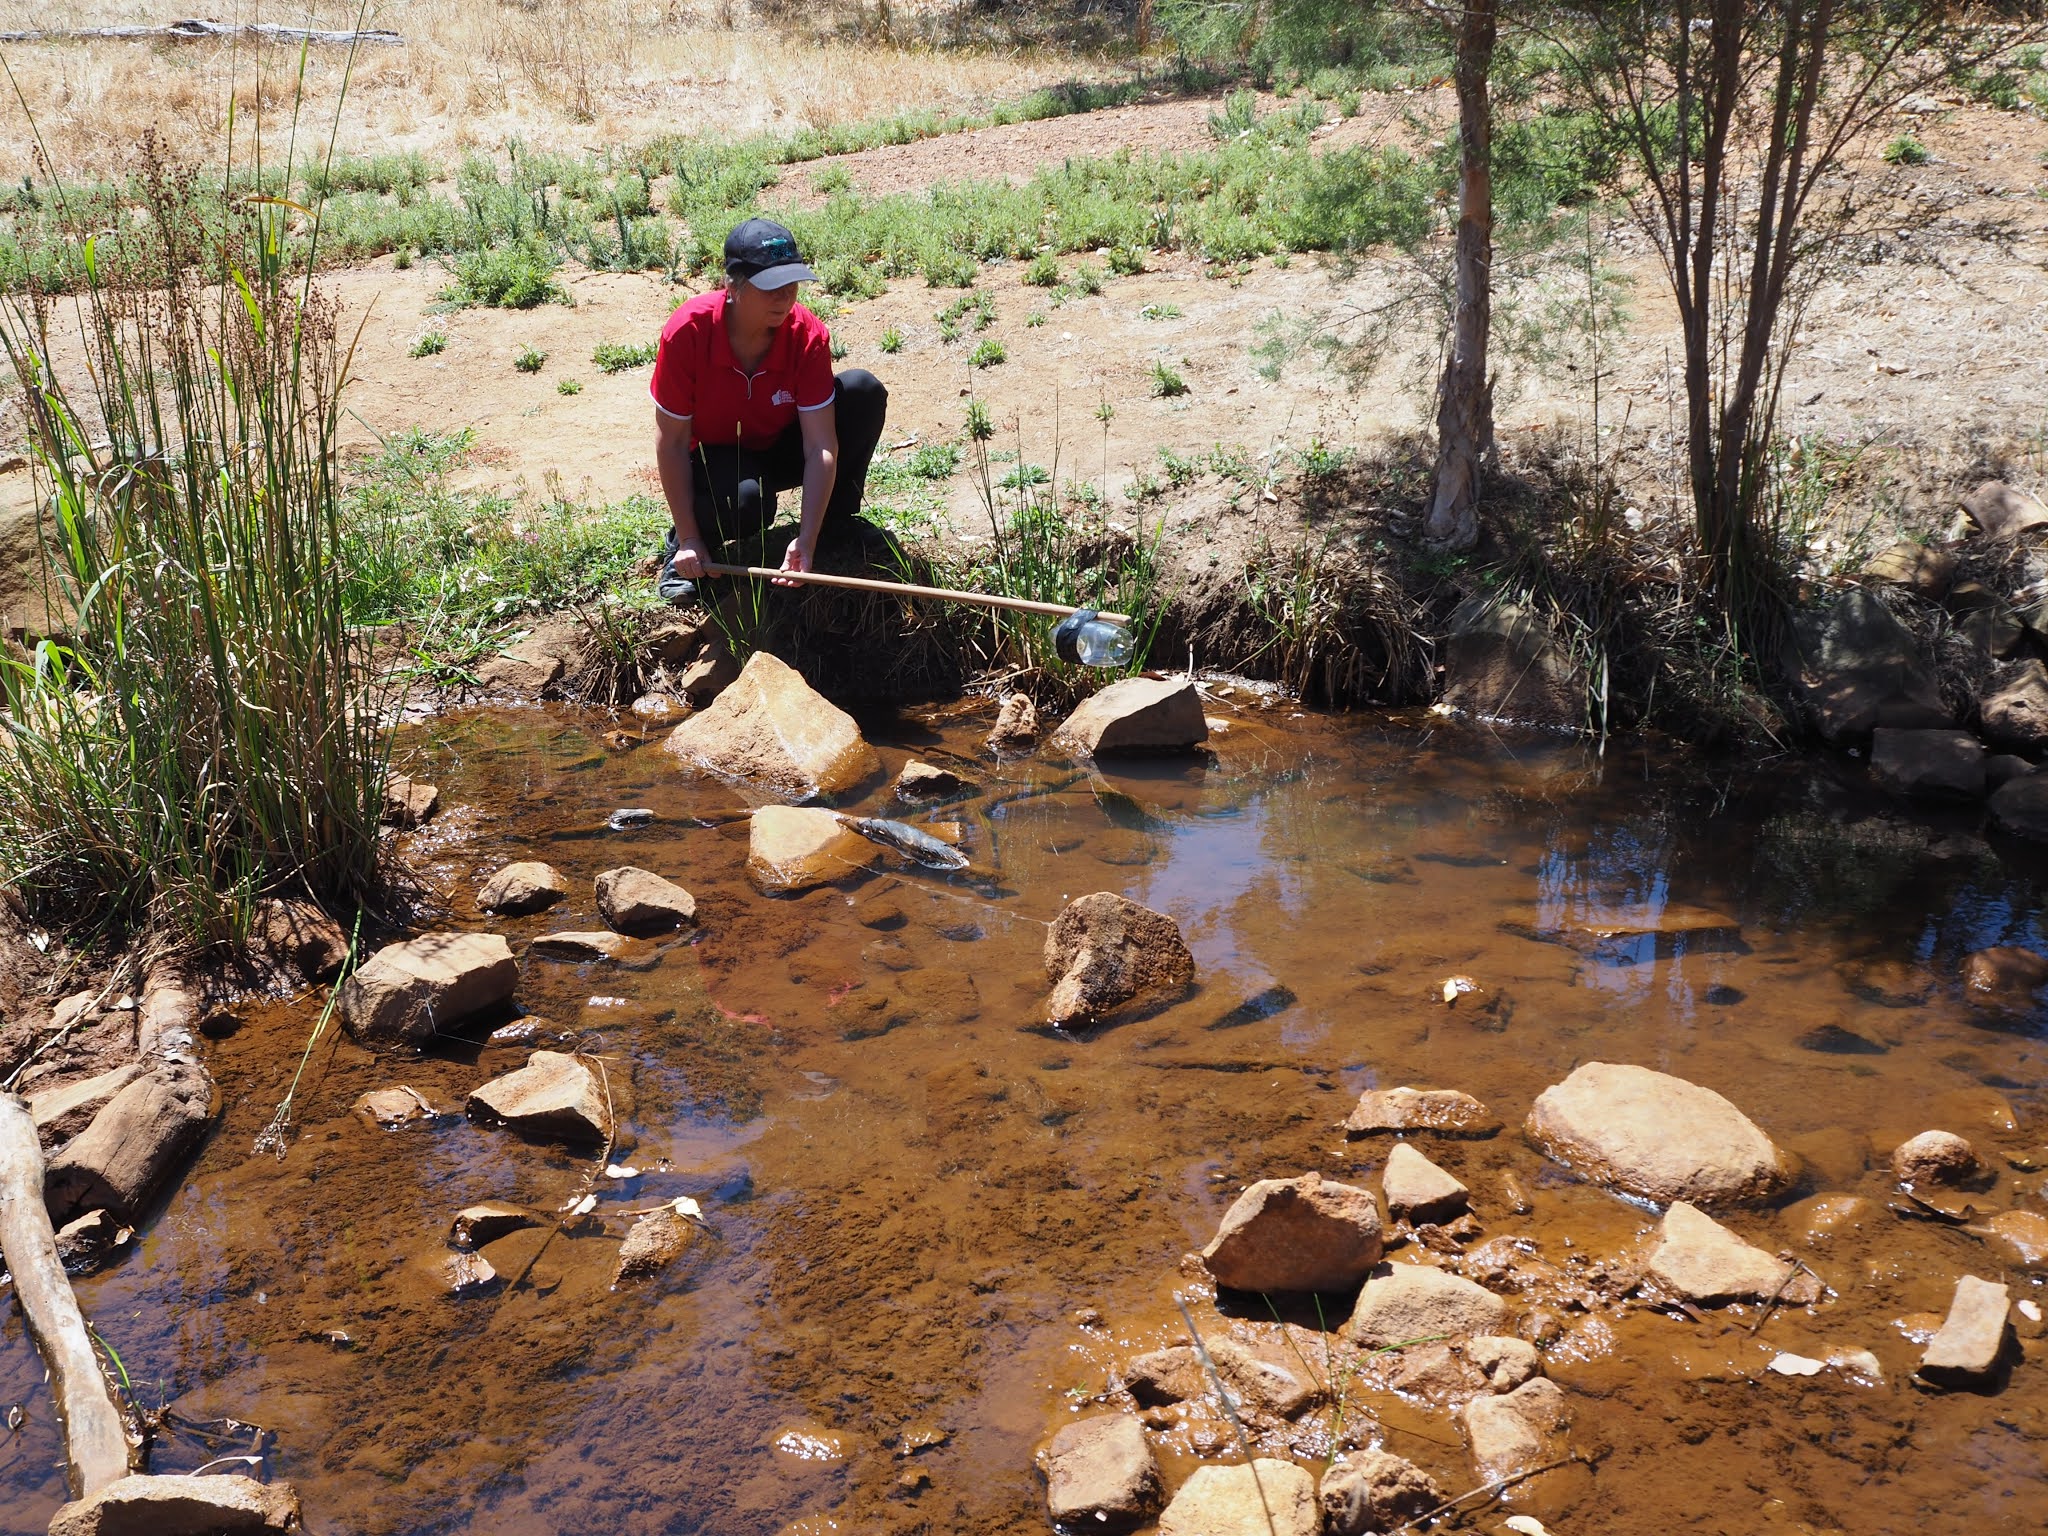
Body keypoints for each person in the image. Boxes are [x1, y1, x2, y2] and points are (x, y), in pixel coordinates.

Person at [650, 217, 888, 602]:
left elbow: (820, 446)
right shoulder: (688, 332)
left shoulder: (806, 335)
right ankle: (686, 544)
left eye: (791, 284)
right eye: (770, 286)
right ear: (732, 284)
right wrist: (690, 537)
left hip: (780, 443)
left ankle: (835, 521)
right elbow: (672, 443)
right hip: (719, 457)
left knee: (862, 391)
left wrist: (807, 539)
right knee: (746, 502)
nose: (785, 297)